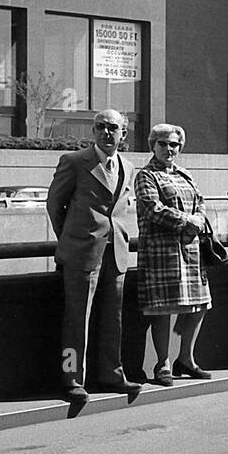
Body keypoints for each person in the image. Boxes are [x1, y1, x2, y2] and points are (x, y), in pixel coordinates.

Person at [48, 109, 143, 404]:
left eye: (112, 127)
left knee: (113, 319)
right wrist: (72, 238)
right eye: (100, 126)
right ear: (93, 131)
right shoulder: (75, 162)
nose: (106, 132)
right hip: (81, 254)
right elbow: (54, 204)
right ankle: (72, 378)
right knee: (76, 320)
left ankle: (112, 374)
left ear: (122, 134)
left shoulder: (127, 166)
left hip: (116, 252)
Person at [133, 124, 213, 383]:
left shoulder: (184, 174)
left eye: (174, 145)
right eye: (164, 144)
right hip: (161, 252)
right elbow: (152, 209)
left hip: (190, 251)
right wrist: (189, 221)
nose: (169, 149)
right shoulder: (146, 175)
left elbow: (200, 203)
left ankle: (186, 359)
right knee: (163, 310)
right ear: (153, 145)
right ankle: (162, 364)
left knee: (199, 305)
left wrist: (199, 219)